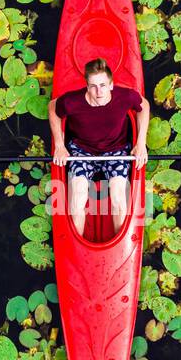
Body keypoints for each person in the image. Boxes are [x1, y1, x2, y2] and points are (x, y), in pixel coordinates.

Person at [48, 57, 149, 236]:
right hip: (82, 150)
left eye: (103, 85)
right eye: (93, 86)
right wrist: (59, 145)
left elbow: (144, 106)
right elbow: (52, 108)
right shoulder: (73, 102)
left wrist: (141, 143)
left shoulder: (125, 97)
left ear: (111, 85)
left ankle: (118, 246)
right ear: (86, 86)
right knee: (78, 195)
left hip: (116, 150)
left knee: (119, 196)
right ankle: (77, 245)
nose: (98, 91)